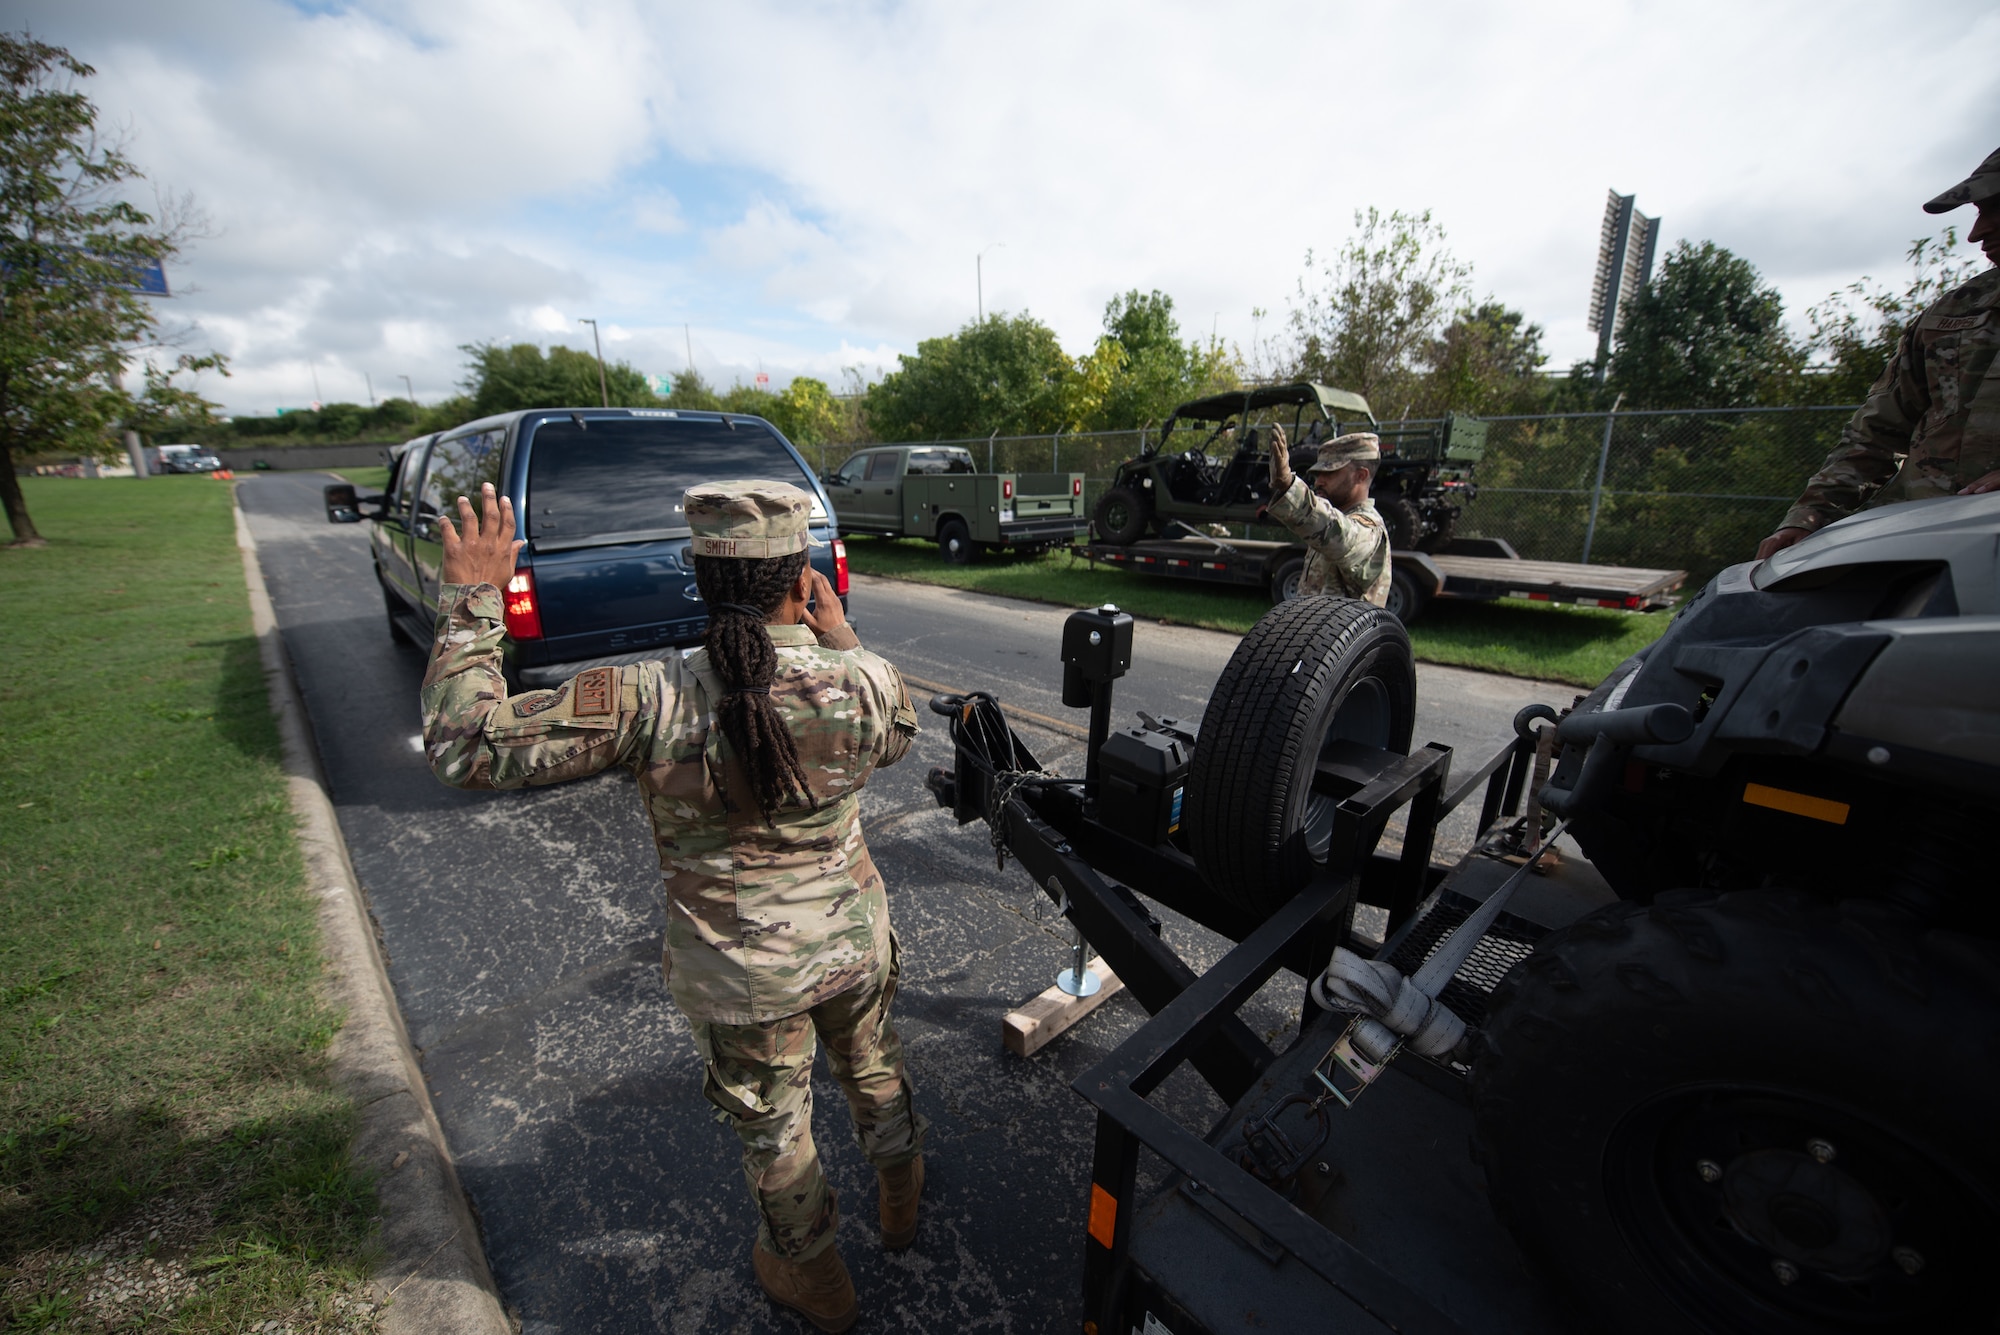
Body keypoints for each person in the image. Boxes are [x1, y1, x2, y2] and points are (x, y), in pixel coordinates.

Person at [421, 479, 923, 1334]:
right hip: (852, 939)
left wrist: (473, 599)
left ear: (700, 576)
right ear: (802, 578)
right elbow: (900, 730)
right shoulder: (863, 681)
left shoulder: (648, 697)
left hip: (744, 976)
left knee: (776, 1128)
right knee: (872, 1066)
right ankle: (901, 1198)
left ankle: (818, 1280)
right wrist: (835, 632)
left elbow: (465, 744)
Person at [1756, 145, 2000, 560]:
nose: (1976, 233)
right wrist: (1810, 517)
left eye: (1995, 207)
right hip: (1920, 548)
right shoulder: (1956, 311)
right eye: (1978, 211)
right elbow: (1877, 433)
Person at [1264, 423, 1393, 606]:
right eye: (1317, 474)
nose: (1318, 482)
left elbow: (1340, 534)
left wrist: (1289, 488)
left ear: (1361, 476)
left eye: (1329, 472)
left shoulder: (1369, 528)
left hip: (1343, 634)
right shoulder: (1335, 517)